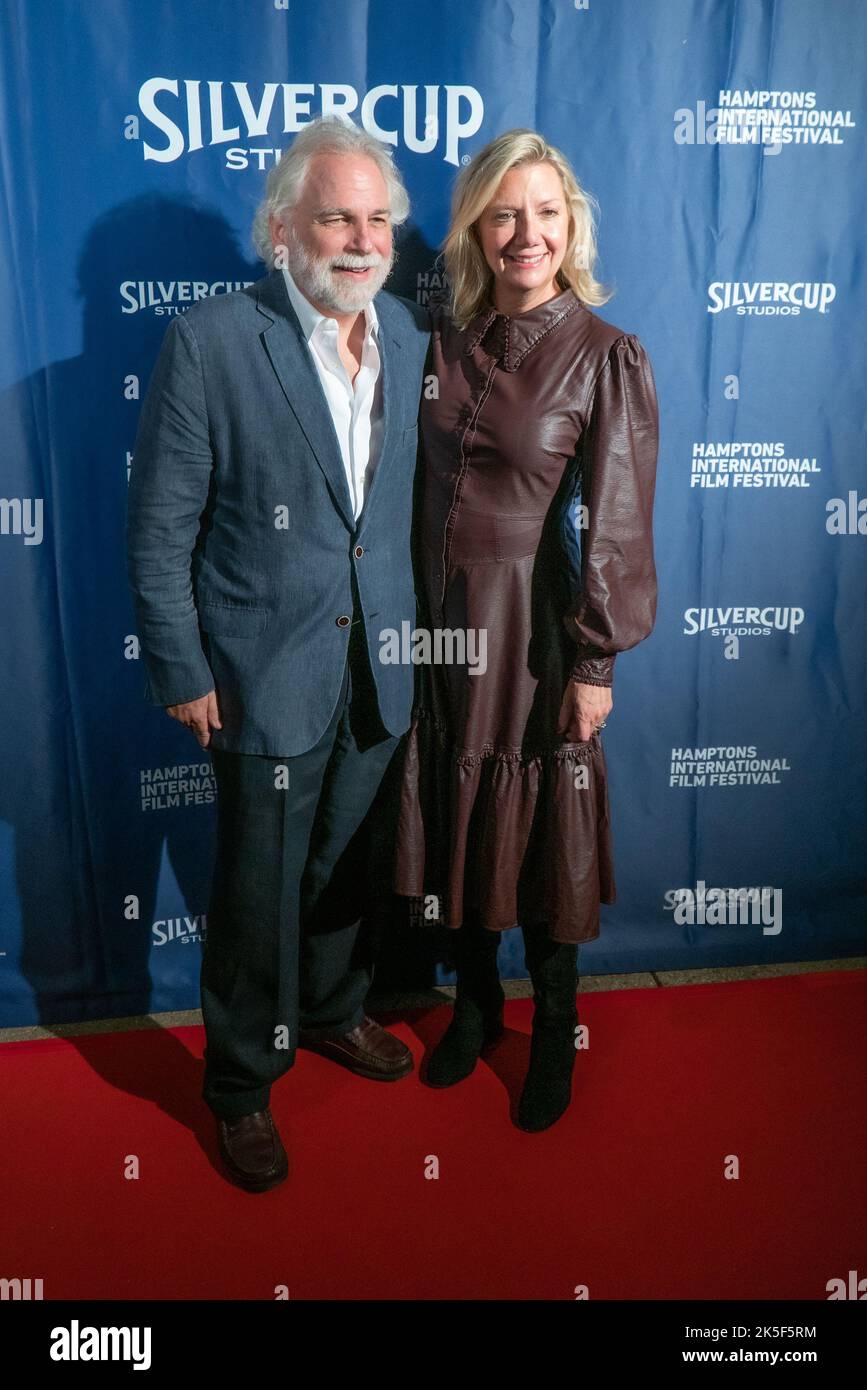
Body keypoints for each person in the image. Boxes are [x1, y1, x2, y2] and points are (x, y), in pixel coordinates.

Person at [126, 117, 430, 1192]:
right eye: (335, 216)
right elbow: (160, 526)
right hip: (259, 675)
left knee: (350, 868)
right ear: (282, 229)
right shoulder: (214, 340)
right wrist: (183, 666)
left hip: (380, 666)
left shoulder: (407, 331)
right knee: (256, 893)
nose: (359, 236)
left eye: (376, 216)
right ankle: (242, 1085)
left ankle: (339, 1010)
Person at [394, 129, 659, 1132]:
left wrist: (595, 659)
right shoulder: (443, 340)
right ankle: (474, 1005)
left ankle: (555, 1028)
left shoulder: (604, 356)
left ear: (570, 224)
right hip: (437, 624)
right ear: (475, 224)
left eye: (546, 211)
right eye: (505, 211)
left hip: (534, 631)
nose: (526, 232)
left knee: (544, 824)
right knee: (459, 805)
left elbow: (621, 524)